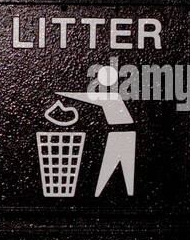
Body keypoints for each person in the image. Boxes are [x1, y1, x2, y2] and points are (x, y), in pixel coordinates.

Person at [56, 65, 135, 196]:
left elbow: (89, 98)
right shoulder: (114, 97)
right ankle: (112, 194)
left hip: (121, 135)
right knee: (116, 172)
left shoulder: (113, 98)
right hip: (121, 135)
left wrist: (65, 94)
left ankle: (116, 194)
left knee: (117, 171)